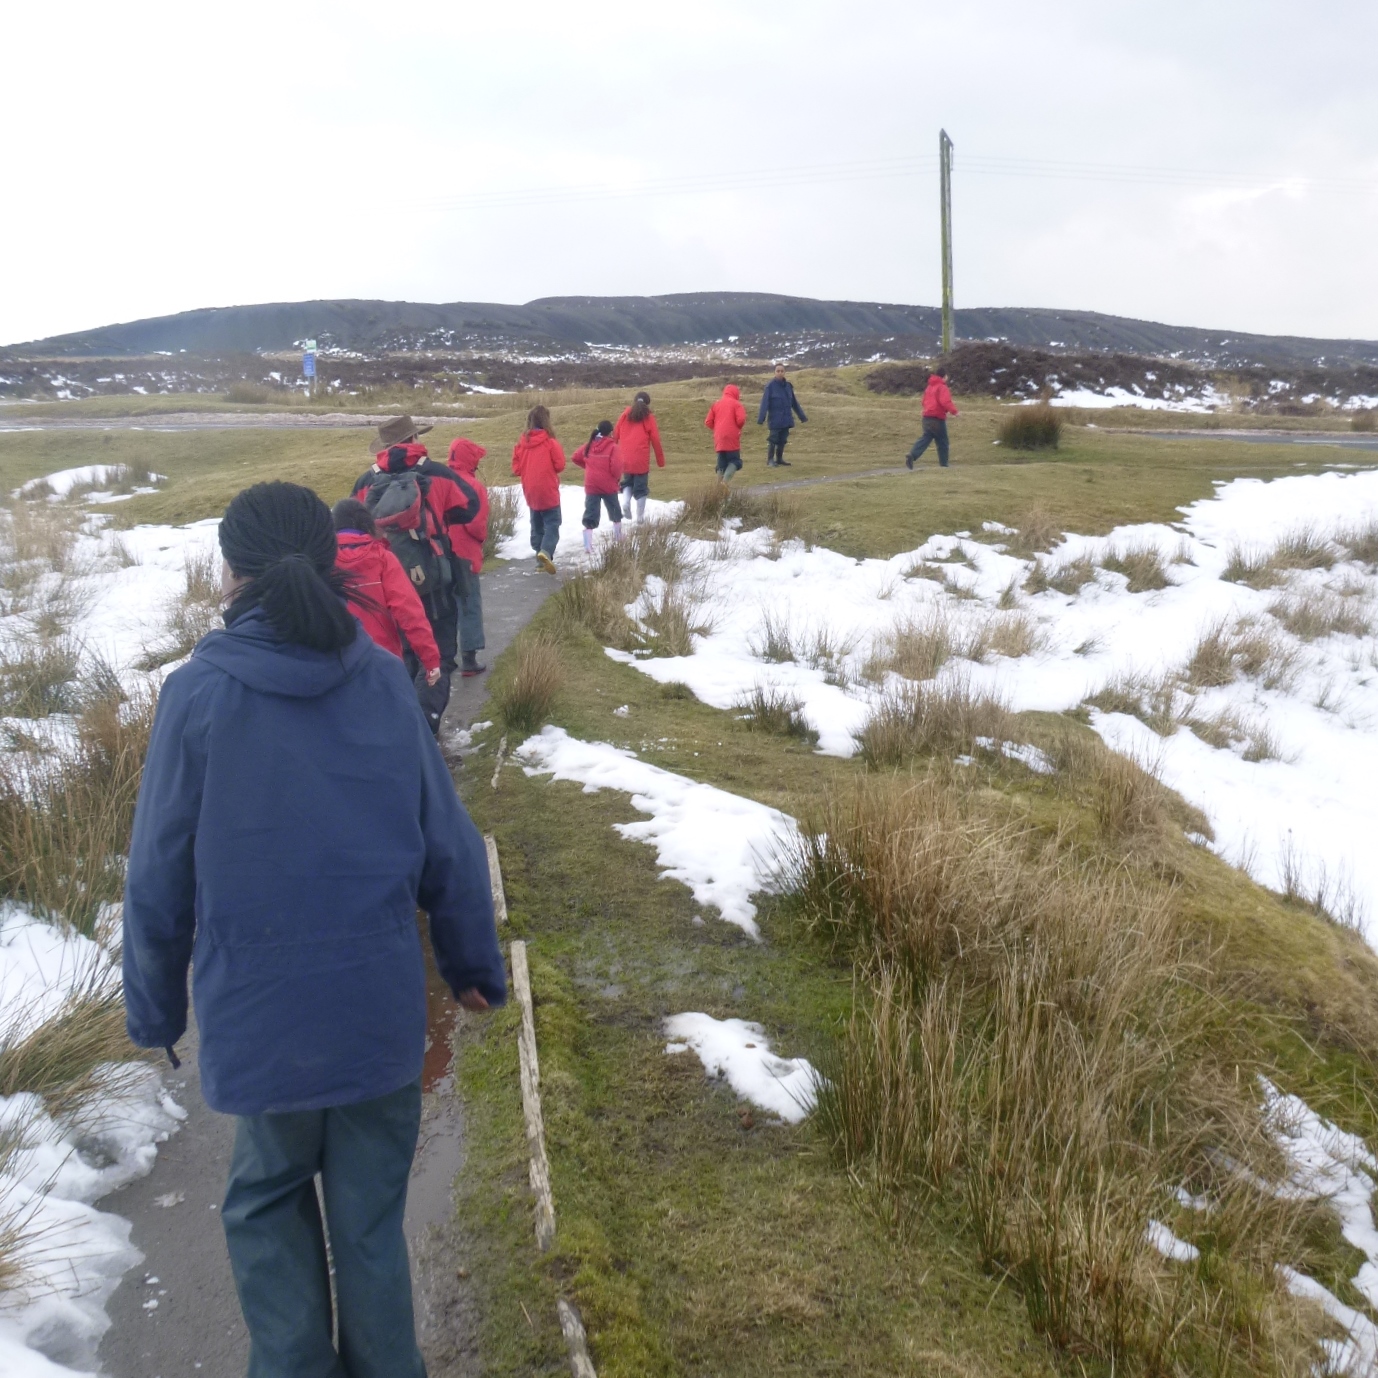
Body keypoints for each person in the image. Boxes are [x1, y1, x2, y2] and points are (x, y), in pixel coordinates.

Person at [122, 480, 505, 1378]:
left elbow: (156, 872)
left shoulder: (197, 693)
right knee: (370, 1222)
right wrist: (469, 966)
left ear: (230, 572)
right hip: (377, 1012)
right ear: (334, 563)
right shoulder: (380, 681)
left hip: (260, 1020)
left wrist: (155, 1009)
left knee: (265, 1202)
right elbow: (447, 841)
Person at [351, 415, 483, 734]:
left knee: (401, 654)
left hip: (384, 581)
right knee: (438, 656)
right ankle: (423, 727)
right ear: (412, 440)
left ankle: (401, 725)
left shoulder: (365, 483)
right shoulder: (435, 473)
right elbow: (470, 506)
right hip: (433, 581)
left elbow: (354, 526)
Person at [331, 499, 443, 692]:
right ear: (367, 523)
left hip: (336, 662)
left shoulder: (321, 564)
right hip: (382, 659)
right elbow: (409, 612)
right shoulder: (383, 558)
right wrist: (430, 658)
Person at [444, 437, 490, 677]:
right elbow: (476, 525)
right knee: (468, 605)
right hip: (465, 554)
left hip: (440, 554)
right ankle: (469, 659)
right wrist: (482, 539)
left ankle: (443, 657)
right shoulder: (473, 486)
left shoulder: (439, 481)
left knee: (444, 606)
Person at [511, 405, 565, 574]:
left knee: (537, 524)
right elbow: (560, 465)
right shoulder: (550, 443)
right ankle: (546, 551)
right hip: (548, 490)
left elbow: (516, 469)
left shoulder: (521, 444)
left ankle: (539, 559)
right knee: (553, 523)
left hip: (530, 492)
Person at [571, 420, 623, 552]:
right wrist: (616, 479)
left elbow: (575, 457)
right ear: (611, 432)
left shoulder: (589, 444)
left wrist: (589, 467)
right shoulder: (613, 447)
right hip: (608, 485)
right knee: (615, 511)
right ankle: (618, 538)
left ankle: (588, 545)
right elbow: (616, 468)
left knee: (591, 513)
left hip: (591, 484)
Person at [613, 390, 665, 520]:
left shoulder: (625, 415)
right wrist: (660, 460)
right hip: (641, 459)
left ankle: (626, 502)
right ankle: (640, 517)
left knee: (627, 483)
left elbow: (615, 434)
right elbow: (656, 440)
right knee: (641, 488)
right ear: (647, 403)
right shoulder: (648, 417)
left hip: (625, 457)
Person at [906, 366, 960, 469]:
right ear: (944, 376)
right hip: (937, 418)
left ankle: (912, 455)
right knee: (943, 442)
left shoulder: (929, 387)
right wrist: (955, 412)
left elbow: (923, 401)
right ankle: (944, 464)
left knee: (926, 438)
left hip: (926, 417)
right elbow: (945, 402)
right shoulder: (942, 387)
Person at [757, 363, 807, 467]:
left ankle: (779, 459)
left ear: (785, 372)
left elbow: (794, 403)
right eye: (778, 371)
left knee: (783, 439)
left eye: (782, 371)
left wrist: (802, 416)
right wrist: (761, 418)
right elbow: (764, 403)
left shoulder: (788, 386)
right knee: (773, 439)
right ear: (774, 372)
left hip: (786, 418)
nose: (780, 373)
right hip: (775, 419)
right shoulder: (770, 386)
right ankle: (770, 460)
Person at [704, 383, 747, 480]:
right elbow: (741, 419)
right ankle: (725, 482)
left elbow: (708, 422)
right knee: (735, 461)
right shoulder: (737, 404)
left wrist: (717, 429)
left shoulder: (716, 404)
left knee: (721, 463)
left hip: (718, 437)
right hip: (731, 436)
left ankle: (718, 485)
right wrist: (738, 427)